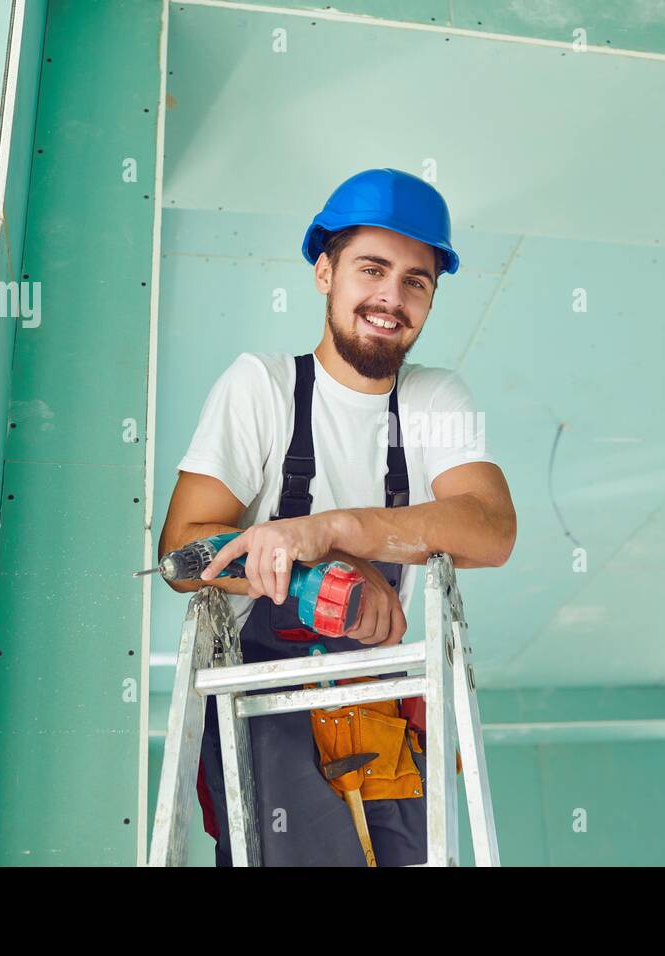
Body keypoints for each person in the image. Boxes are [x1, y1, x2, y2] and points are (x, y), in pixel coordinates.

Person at [158, 168, 517, 866]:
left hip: (381, 711)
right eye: (372, 269)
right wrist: (319, 582)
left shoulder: (434, 398)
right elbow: (184, 550)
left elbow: (488, 527)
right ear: (325, 271)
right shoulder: (262, 387)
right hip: (270, 712)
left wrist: (334, 531)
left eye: (417, 280)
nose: (392, 297)